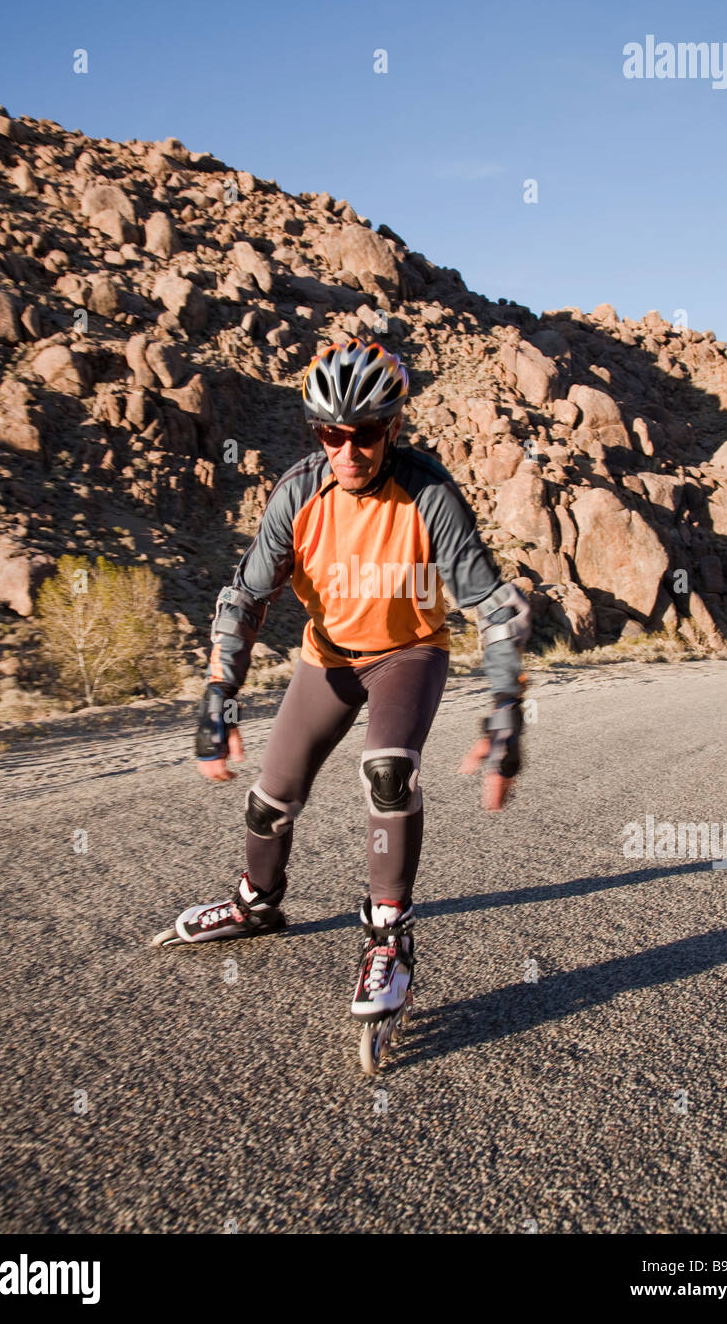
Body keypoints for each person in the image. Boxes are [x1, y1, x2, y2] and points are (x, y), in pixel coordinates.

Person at [153, 338, 532, 1026]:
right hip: (327, 656)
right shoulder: (298, 493)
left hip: (407, 653)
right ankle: (257, 903)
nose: (348, 450)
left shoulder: (428, 492)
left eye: (365, 434)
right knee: (271, 800)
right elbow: (244, 598)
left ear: (393, 428)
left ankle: (391, 937)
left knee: (388, 771)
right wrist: (219, 693)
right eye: (332, 433)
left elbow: (492, 606)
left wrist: (507, 710)